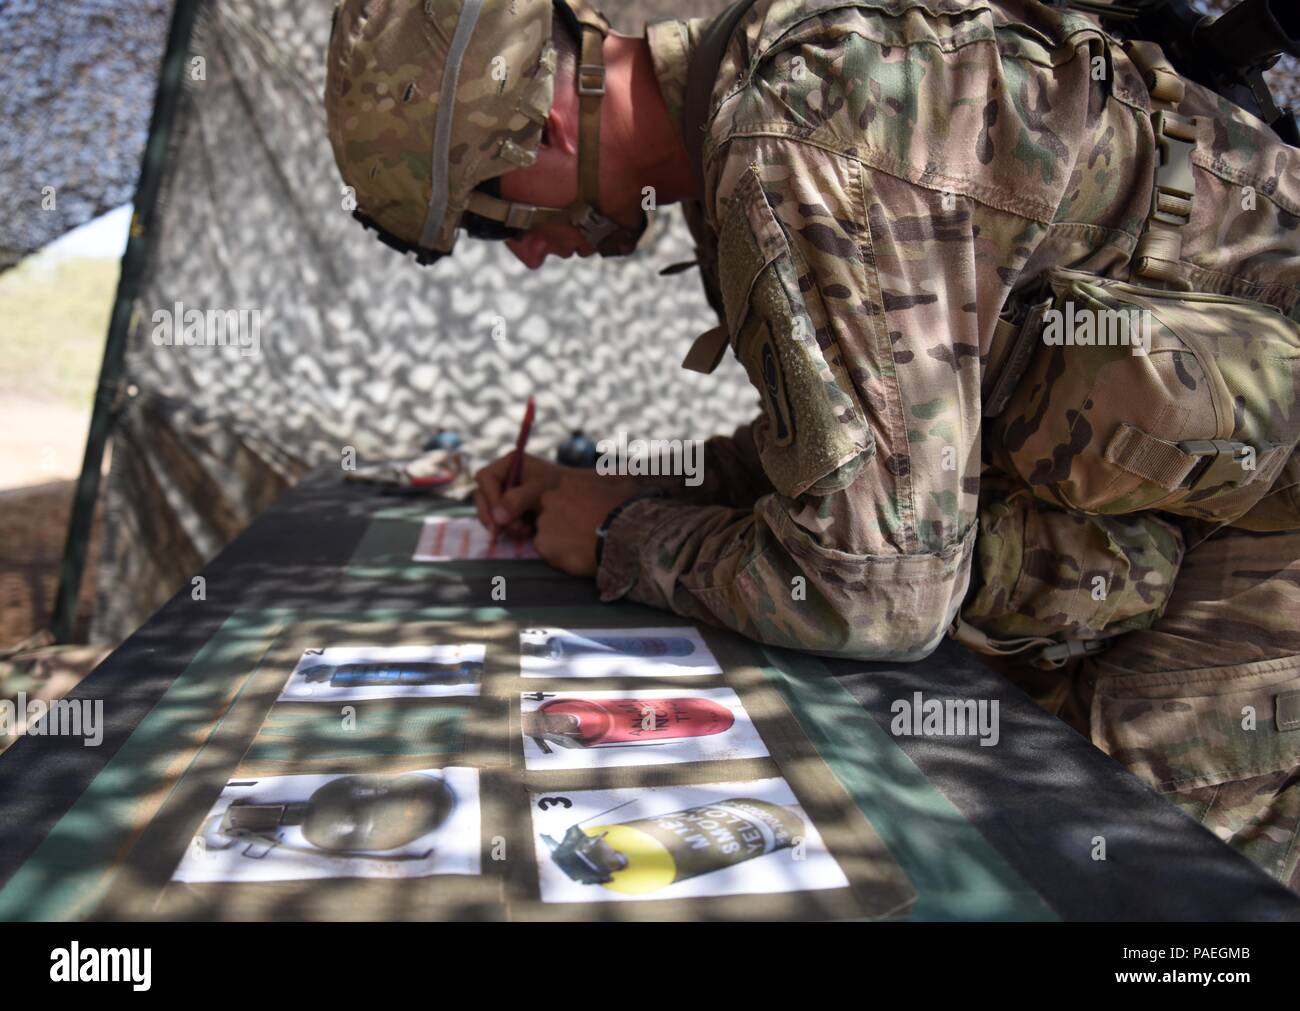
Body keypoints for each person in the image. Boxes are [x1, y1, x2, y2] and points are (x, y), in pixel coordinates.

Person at [325, 0, 1300, 890]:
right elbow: (849, 447)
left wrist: (626, 537)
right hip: (1188, 478)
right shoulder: (762, 91)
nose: (532, 250)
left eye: (498, 219)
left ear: (541, 124)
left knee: (1119, 866)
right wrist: (623, 488)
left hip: (1266, 514)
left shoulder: (787, 134)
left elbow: (874, 595)